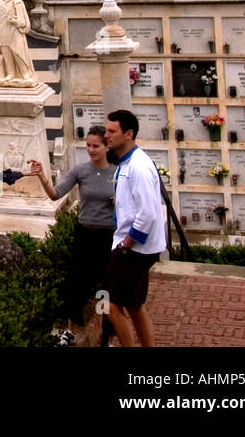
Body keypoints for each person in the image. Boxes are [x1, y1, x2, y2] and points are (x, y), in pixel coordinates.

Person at [30, 125, 114, 346]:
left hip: (107, 235)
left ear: (106, 147)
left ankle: (106, 330)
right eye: (88, 145)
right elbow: (55, 193)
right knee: (77, 284)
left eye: (96, 146)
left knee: (105, 286)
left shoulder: (117, 172)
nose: (91, 150)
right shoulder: (81, 170)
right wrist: (42, 177)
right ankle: (70, 330)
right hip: (84, 234)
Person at [103, 109, 166, 347]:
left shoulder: (138, 167)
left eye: (112, 131)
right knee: (134, 305)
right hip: (139, 246)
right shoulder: (128, 162)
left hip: (135, 248)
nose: (106, 135)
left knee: (109, 303)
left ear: (128, 134)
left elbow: (149, 213)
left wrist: (126, 244)